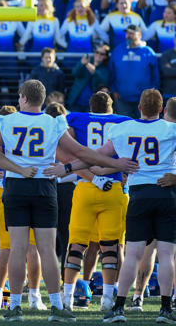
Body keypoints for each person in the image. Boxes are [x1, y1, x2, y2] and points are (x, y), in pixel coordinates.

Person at [0, 80, 139, 322]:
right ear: (42, 100)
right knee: (46, 249)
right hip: (44, 184)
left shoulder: (8, 120)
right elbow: (80, 152)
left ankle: (14, 307)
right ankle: (56, 306)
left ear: (23, 98)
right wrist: (116, 163)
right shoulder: (52, 122)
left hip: (16, 185)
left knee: (17, 249)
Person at [47, 89, 176, 323]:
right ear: (161, 110)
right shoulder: (171, 129)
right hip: (165, 193)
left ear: (138, 107)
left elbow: (94, 155)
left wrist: (67, 168)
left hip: (138, 195)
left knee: (133, 254)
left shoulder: (124, 129)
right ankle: (165, 309)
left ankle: (118, 307)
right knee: (166, 255)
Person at [62, 92, 129, 312]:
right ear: (111, 107)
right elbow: (129, 158)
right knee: (110, 245)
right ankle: (108, 298)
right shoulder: (123, 121)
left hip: (85, 186)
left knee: (77, 244)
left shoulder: (77, 118)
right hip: (114, 188)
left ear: (90, 105)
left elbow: (62, 149)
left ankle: (68, 297)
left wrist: (90, 172)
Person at [108, 25, 159, 117]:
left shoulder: (148, 52)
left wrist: (152, 93)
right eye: (127, 33)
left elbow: (155, 75)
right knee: (124, 127)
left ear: (139, 35)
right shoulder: (118, 50)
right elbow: (111, 72)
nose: (128, 35)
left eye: (131, 33)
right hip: (122, 98)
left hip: (143, 99)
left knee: (142, 127)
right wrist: (113, 90)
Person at [67, 45, 110, 112]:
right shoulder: (85, 63)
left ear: (105, 56)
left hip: (92, 106)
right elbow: (75, 73)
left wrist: (94, 72)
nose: (98, 55)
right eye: (97, 52)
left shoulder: (105, 69)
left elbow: (104, 81)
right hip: (76, 102)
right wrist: (81, 64)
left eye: (101, 54)